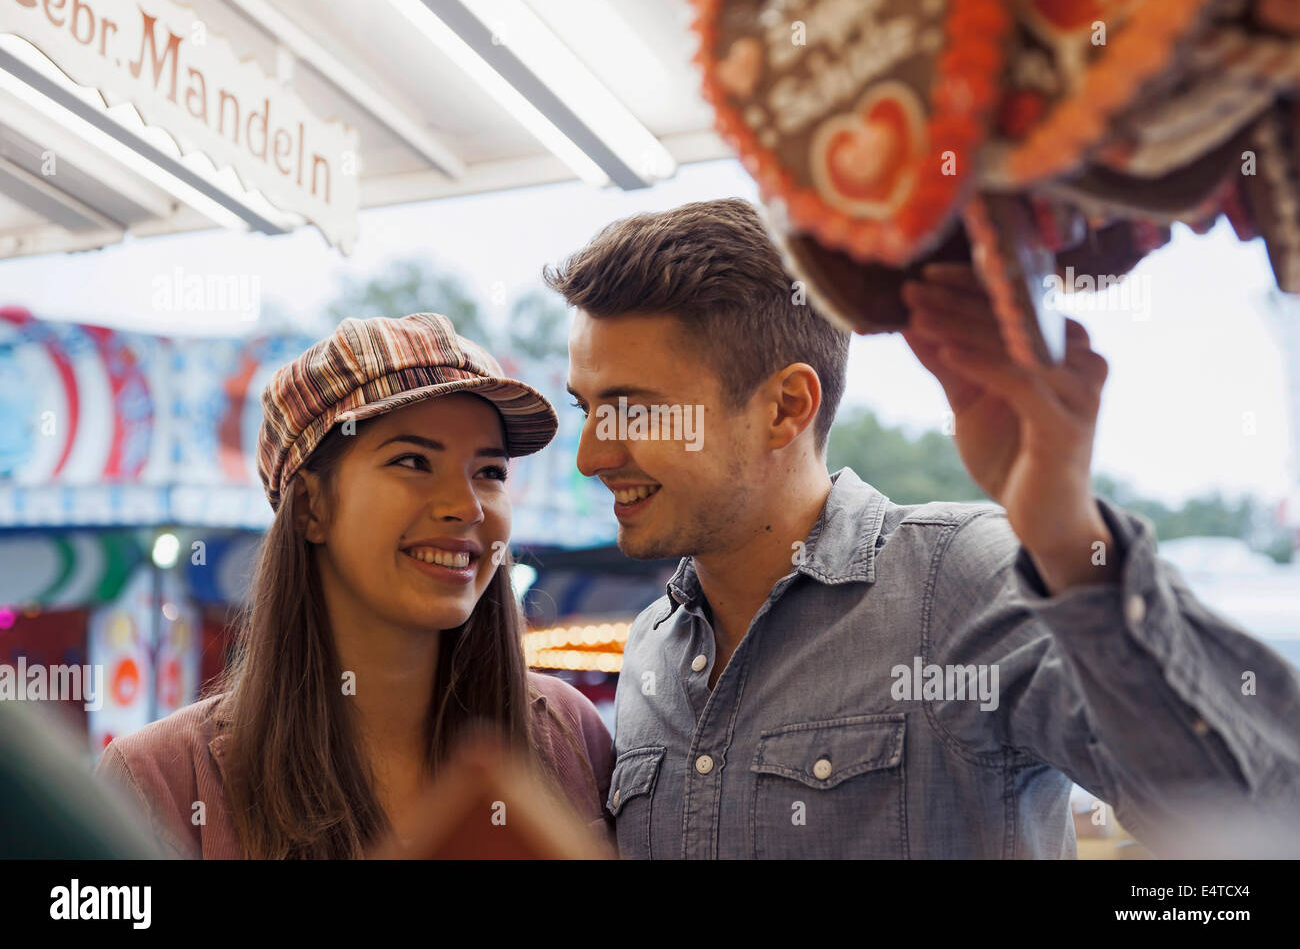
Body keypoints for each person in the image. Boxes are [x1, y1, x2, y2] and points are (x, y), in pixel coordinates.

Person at [546, 197, 1300, 859]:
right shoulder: (652, 645)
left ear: (784, 408)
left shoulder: (960, 582)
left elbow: (1260, 808)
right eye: (587, 408)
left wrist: (1066, 529)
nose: (590, 455)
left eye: (633, 409)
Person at [95, 313, 614, 859]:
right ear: (311, 508)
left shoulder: (570, 733)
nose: (465, 507)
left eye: (490, 472)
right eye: (414, 461)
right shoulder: (159, 780)